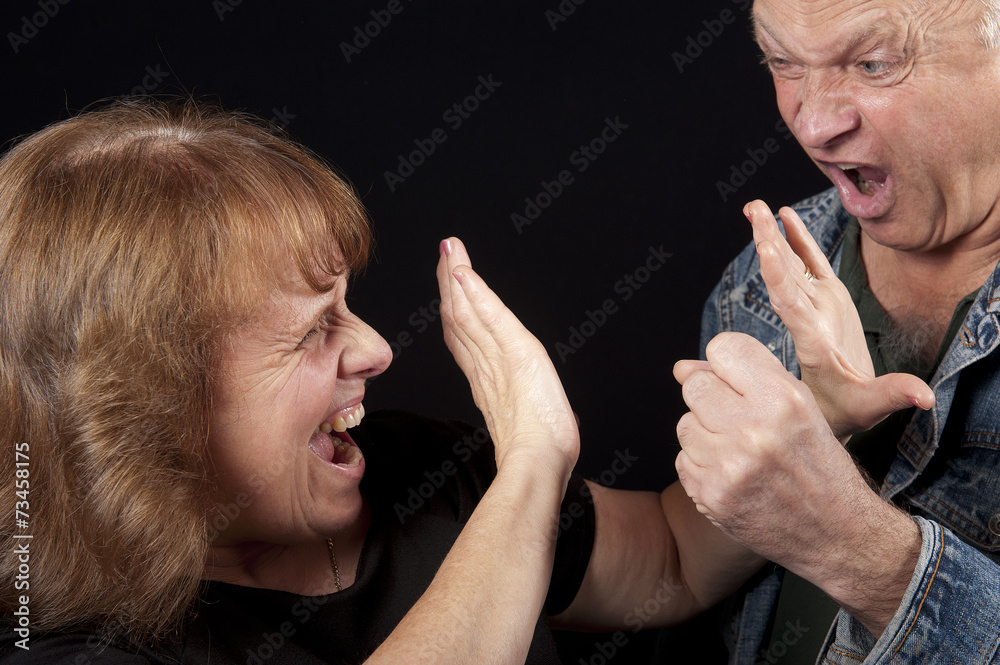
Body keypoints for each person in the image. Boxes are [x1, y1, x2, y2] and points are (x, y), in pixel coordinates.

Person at [0, 99, 779, 664]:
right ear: (148, 407)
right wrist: (534, 466)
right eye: (313, 330)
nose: (376, 347)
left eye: (347, 306)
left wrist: (817, 420)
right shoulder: (60, 638)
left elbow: (675, 557)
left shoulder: (417, 468)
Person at [671, 0, 1000, 662]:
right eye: (783, 61)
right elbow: (680, 558)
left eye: (874, 64)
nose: (814, 124)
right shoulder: (765, 280)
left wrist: (857, 549)